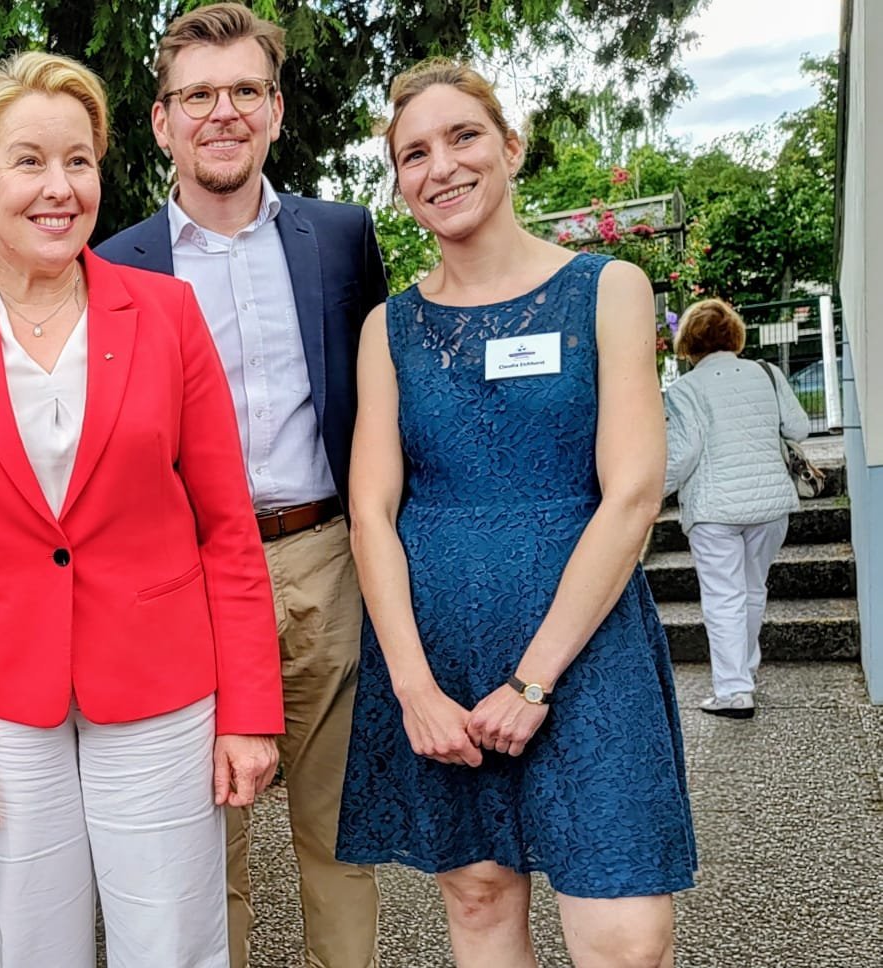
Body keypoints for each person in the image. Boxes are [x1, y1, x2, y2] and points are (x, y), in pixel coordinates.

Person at [0, 51, 284, 968]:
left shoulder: (167, 314)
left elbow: (227, 529)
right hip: (3, 704)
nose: (58, 188)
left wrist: (248, 710)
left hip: (159, 690)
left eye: (79, 161)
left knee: (172, 942)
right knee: (32, 946)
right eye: (28, 161)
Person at [336, 60, 697, 967]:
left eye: (461, 137)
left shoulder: (607, 289)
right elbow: (371, 512)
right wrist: (414, 690)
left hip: (582, 649)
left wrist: (533, 681)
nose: (439, 167)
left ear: (510, 146)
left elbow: (632, 495)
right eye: (412, 153)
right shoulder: (390, 328)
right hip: (441, 654)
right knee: (480, 900)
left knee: (625, 937)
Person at [97, 4, 387, 963]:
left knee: (338, 837)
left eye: (242, 91)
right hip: (182, 581)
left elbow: (376, 395)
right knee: (200, 847)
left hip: (323, 560)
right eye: (196, 95)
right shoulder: (111, 266)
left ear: (273, 108)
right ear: (161, 120)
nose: (220, 112)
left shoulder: (341, 238)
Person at [663, 298, 812, 719]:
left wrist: (651, 493)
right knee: (751, 591)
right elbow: (798, 428)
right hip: (769, 506)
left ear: (689, 342)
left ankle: (734, 691)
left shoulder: (686, 389)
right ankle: (743, 675)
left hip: (715, 509)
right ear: (735, 335)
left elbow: (683, 453)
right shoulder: (767, 373)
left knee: (723, 597)